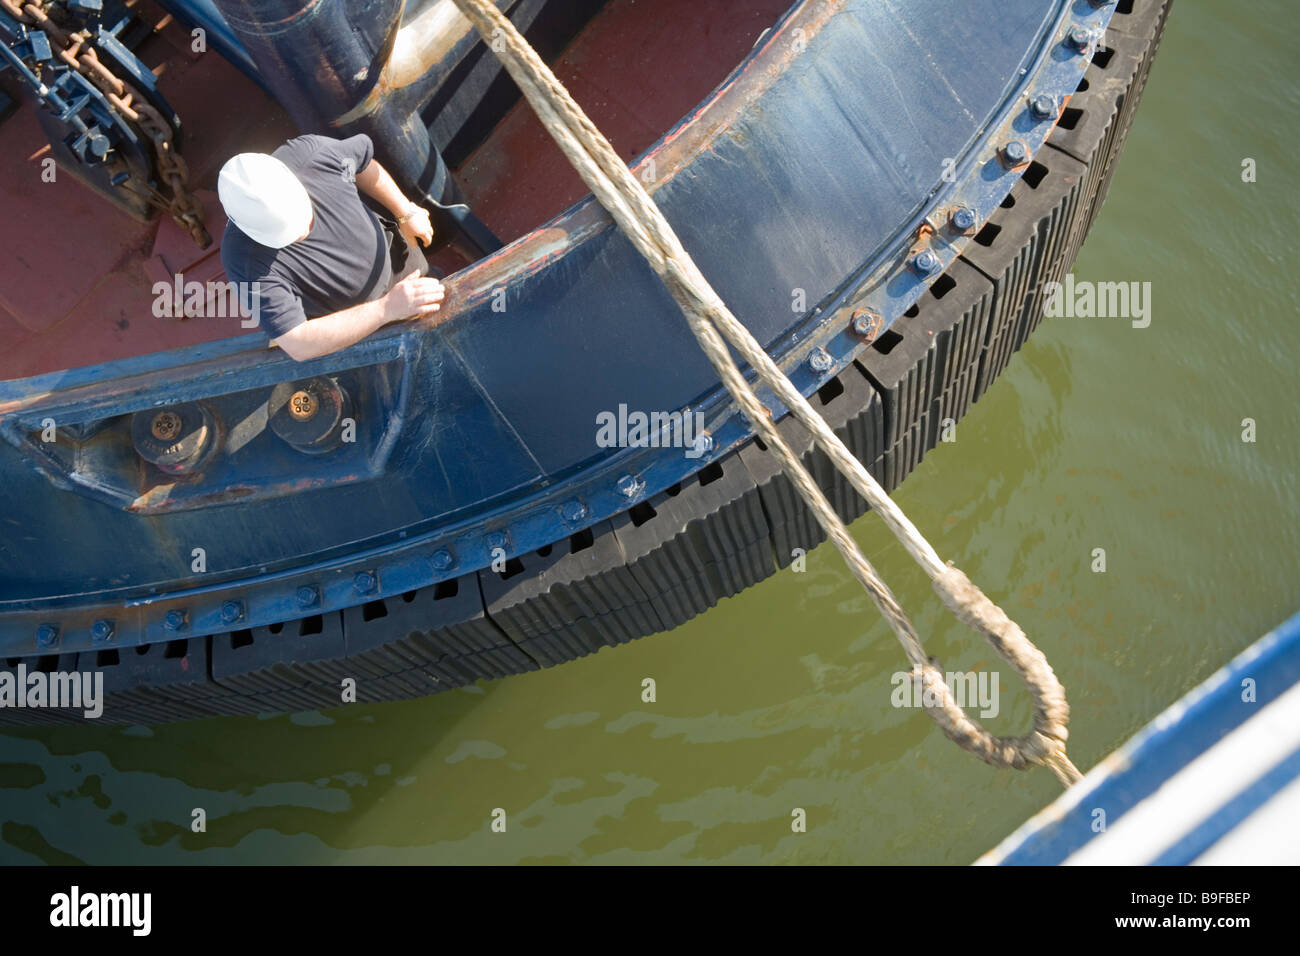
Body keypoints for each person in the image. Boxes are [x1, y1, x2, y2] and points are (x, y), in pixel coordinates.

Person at [218, 133, 446, 360]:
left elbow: (363, 164)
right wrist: (386, 309)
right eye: (287, 235)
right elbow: (297, 342)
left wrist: (405, 211)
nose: (303, 231)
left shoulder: (312, 155)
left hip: (402, 263)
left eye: (302, 217)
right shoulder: (243, 259)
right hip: (359, 328)